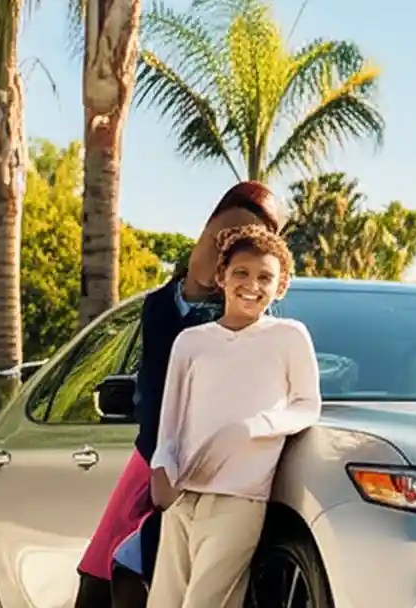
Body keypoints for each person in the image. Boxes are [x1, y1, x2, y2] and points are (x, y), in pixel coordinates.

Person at [76, 181, 285, 608]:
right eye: (219, 237)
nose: (223, 251)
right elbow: (152, 392)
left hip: (214, 475)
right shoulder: (159, 306)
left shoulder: (260, 327)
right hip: (152, 461)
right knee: (98, 585)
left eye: (238, 245)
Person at [147, 224, 321, 607]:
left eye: (265, 277)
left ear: (281, 286)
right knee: (164, 601)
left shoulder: (289, 336)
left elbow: (307, 405)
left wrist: (255, 427)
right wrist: (161, 469)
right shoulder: (192, 342)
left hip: (240, 498)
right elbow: (170, 423)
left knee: (206, 601)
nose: (252, 285)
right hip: (182, 496)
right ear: (222, 276)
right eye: (241, 272)